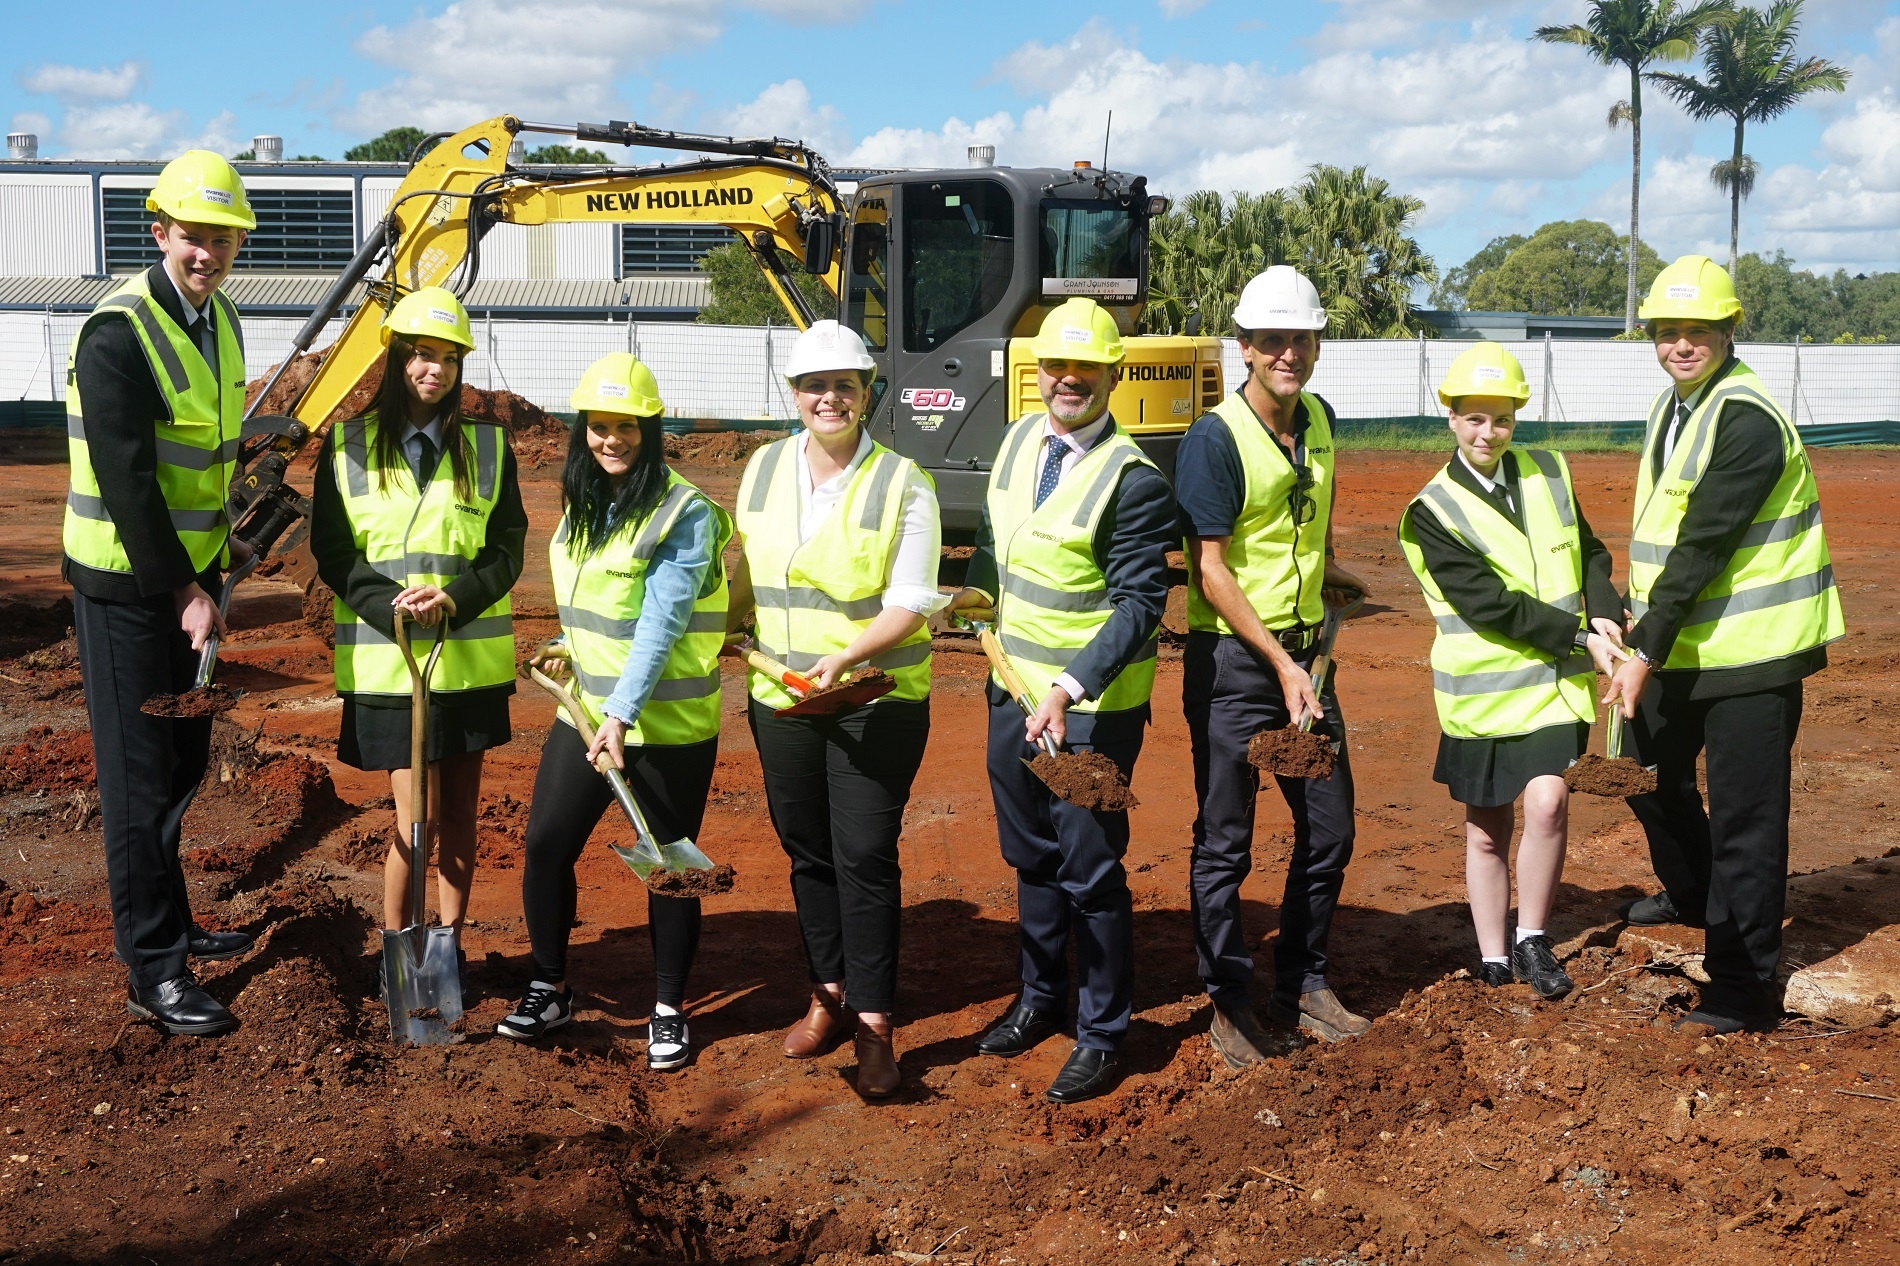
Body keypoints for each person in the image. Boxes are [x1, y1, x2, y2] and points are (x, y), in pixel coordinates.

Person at [1604, 256, 1843, 1034]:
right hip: (1683, 645)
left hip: (1753, 654)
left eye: (1696, 331)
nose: (1680, 344)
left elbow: (1703, 544)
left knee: (1746, 817)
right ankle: (1695, 890)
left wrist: (1644, 651)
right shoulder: (1674, 407)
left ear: (1728, 330)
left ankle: (1743, 988)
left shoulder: (1745, 417)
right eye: (1667, 332)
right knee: (1643, 771)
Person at [949, 298, 1178, 1104]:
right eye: (1054, 366)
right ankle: (1041, 1000)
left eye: (1084, 368)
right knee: (1031, 860)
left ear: (1114, 375)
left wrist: (1069, 687)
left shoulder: (1134, 481)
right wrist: (970, 605)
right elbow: (992, 551)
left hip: (1087, 711)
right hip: (1010, 694)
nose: (1067, 380)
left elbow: (1140, 605)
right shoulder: (1017, 440)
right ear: (1036, 372)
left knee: (1088, 868)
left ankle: (1103, 1031)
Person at [65, 151, 258, 1036]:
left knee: (180, 767)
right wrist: (184, 589)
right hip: (129, 591)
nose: (207, 253)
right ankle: (153, 970)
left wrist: (221, 563)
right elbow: (130, 481)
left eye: (221, 239)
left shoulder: (219, 323)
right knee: (140, 782)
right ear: (159, 234)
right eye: (193, 237)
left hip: (194, 582)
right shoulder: (118, 334)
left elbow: (206, 458)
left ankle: (172, 926)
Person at [728, 320, 942, 1098]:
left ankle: (876, 1024)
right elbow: (747, 567)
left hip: (870, 699)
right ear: (794, 394)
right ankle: (827, 994)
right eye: (815, 386)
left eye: (844, 386)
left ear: (866, 393)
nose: (829, 398)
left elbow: (915, 601)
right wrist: (724, 620)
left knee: (863, 856)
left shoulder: (901, 481)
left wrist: (847, 657)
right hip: (782, 698)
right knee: (808, 851)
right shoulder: (760, 468)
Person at [499, 355, 730, 1070]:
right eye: (599, 427)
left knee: (666, 866)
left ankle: (667, 1010)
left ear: (649, 429)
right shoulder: (585, 502)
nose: (611, 439)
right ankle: (549, 984)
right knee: (545, 844)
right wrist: (570, 644)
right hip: (588, 714)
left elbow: (661, 623)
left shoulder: (682, 512)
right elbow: (604, 604)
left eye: (625, 427)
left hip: (663, 728)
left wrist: (622, 715)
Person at [1172, 266, 1370, 1061]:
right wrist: (1281, 661)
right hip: (1235, 667)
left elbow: (1309, 530)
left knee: (1331, 829)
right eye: (1273, 340)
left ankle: (1305, 982)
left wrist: (1326, 594)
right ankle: (1228, 1003)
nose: (1289, 352)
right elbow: (1210, 569)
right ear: (1245, 348)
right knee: (1226, 840)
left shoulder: (1319, 420)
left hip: (1306, 660)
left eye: (1302, 339)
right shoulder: (1212, 441)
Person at [1396, 343, 1628, 1001]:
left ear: (1515, 417)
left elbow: (1587, 551)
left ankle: (1532, 938)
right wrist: (1577, 635)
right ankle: (1492, 954)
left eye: (1500, 419)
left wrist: (1605, 612)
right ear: (1450, 415)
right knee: (1486, 829)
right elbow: (1488, 605)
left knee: (1550, 804)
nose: (1487, 433)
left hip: (1553, 686)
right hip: (1485, 695)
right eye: (1473, 418)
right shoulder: (1432, 510)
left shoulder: (1549, 471)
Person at [311, 287, 526, 983]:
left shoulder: (489, 447)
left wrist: (457, 598)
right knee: (415, 818)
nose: (433, 369)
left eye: (447, 357)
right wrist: (390, 605)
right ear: (397, 358)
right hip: (390, 663)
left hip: (467, 664)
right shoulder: (345, 447)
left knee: (461, 813)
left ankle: (448, 946)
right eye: (420, 354)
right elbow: (335, 552)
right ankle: (396, 951)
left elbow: (507, 548)